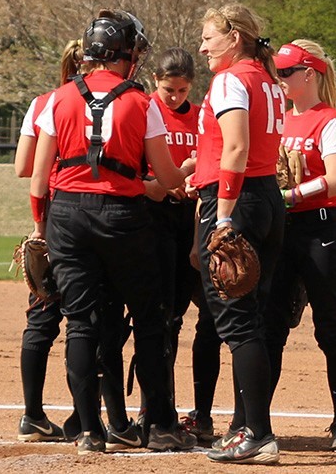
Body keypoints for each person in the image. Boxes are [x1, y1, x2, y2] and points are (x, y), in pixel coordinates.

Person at [29, 9, 197, 454]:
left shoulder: (59, 98)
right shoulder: (141, 103)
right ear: (126, 55)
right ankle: (159, 426)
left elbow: (37, 178)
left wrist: (41, 229)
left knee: (81, 323)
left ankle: (88, 431)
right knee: (148, 319)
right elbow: (167, 177)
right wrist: (182, 173)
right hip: (124, 216)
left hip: (66, 215)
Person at [192, 3, 286, 465]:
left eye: (209, 36)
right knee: (254, 315)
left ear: (233, 37)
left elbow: (236, 146)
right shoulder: (267, 79)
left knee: (236, 320)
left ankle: (258, 433)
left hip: (239, 198)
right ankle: (244, 424)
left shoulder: (232, 79)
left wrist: (223, 214)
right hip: (268, 196)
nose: (203, 45)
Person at [265, 40, 336, 452]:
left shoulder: (331, 121)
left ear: (310, 74)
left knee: (331, 329)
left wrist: (290, 195)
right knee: (271, 329)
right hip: (282, 232)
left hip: (322, 231)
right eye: (278, 73)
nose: (280, 79)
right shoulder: (279, 120)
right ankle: (258, 423)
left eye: (287, 72)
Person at [139, 47, 220, 443]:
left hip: (191, 215)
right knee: (161, 318)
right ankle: (153, 409)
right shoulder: (145, 109)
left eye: (182, 89)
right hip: (154, 216)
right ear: (156, 80)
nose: (175, 97)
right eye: (169, 89)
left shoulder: (201, 113)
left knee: (206, 317)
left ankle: (199, 415)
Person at [13, 39, 82, 443]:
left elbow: (24, 167)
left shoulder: (43, 103)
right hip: (87, 215)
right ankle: (83, 415)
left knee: (41, 317)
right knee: (87, 320)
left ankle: (33, 415)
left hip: (49, 215)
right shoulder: (112, 100)